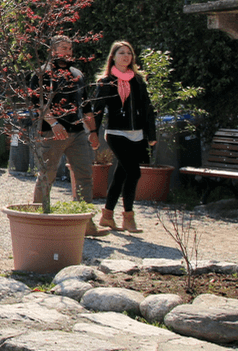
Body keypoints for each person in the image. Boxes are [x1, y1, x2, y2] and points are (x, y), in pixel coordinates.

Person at [30, 36, 108, 237]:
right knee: (47, 175)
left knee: (84, 176)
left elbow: (86, 106)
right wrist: (54, 123)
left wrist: (93, 132)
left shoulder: (77, 74)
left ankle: (86, 223)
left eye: (70, 48)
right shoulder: (42, 74)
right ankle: (38, 220)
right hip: (51, 132)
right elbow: (39, 104)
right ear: (52, 50)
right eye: (64, 48)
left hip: (77, 132)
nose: (68, 52)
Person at [88, 41, 156, 233]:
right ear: (113, 57)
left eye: (129, 53)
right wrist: (94, 133)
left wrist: (151, 134)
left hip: (137, 134)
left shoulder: (138, 81)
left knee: (121, 174)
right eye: (121, 53)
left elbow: (148, 108)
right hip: (116, 134)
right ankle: (128, 217)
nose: (126, 56)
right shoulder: (106, 82)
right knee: (134, 173)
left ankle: (107, 216)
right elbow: (98, 110)